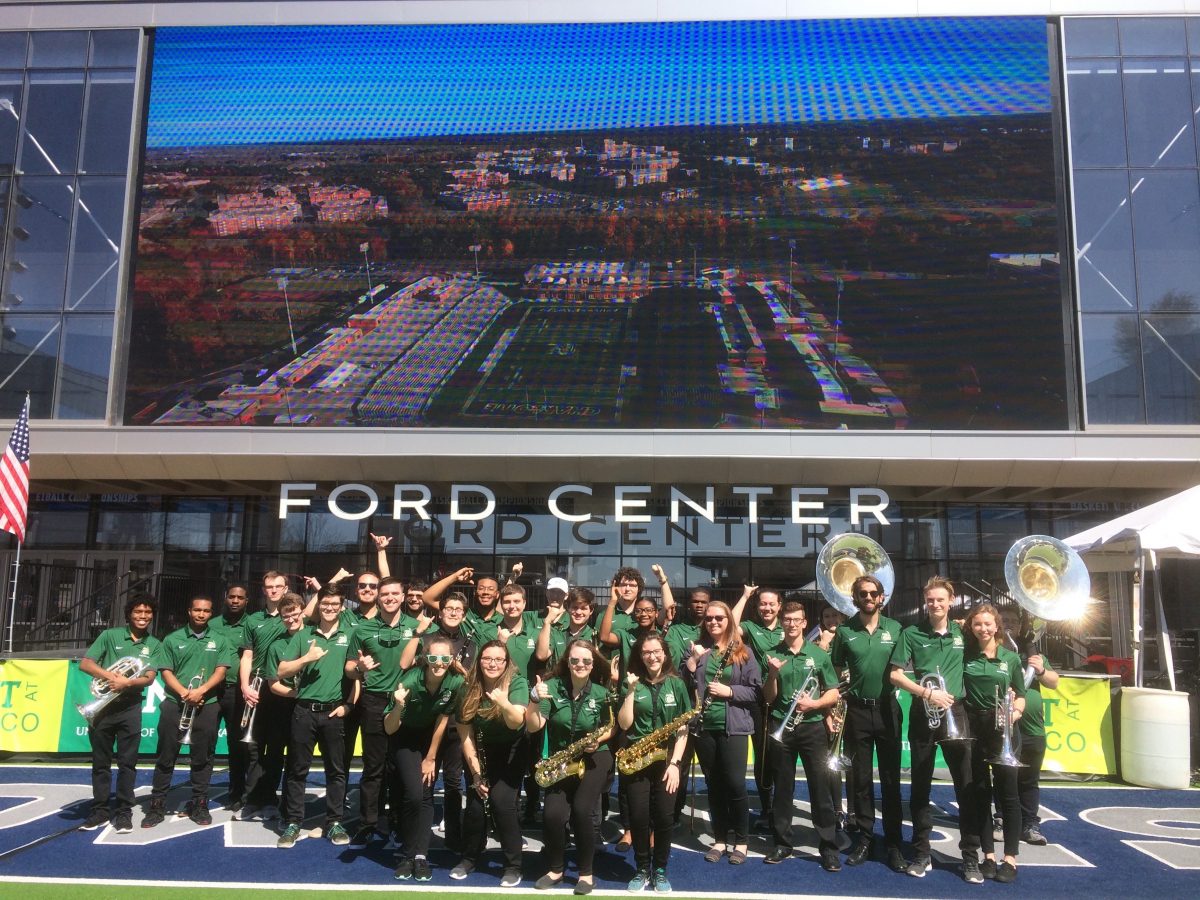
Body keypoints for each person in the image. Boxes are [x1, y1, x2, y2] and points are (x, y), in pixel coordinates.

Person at [889, 575, 980, 882]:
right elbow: (896, 676)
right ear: (925, 602)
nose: (935, 604)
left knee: (964, 787)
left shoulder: (963, 632)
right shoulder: (911, 632)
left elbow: (992, 642)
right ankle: (921, 852)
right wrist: (928, 693)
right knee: (920, 787)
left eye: (941, 600)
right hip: (923, 710)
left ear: (950, 601)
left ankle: (970, 857)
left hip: (956, 712)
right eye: (930, 600)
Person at [526, 640, 616, 895]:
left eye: (586, 661)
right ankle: (556, 869)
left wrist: (597, 740)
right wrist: (534, 699)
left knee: (582, 810)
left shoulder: (601, 692)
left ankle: (586, 874)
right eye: (575, 660)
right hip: (562, 759)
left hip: (595, 757)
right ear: (567, 662)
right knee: (553, 815)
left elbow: (611, 726)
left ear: (593, 664)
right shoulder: (551, 688)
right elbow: (533, 726)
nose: (580, 665)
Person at [830, 574, 906, 872]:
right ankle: (864, 838)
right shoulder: (845, 631)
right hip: (857, 712)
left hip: (888, 710)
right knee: (859, 780)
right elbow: (835, 665)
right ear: (855, 598)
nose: (869, 598)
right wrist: (840, 686)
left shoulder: (896, 628)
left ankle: (894, 843)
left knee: (890, 779)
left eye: (873, 593)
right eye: (863, 594)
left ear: (881, 597)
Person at [142, 594, 236, 828]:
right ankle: (157, 804)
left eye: (206, 611)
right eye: (197, 610)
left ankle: (200, 803)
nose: (201, 614)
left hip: (207, 703)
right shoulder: (172, 639)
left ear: (210, 613)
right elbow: (166, 672)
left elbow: (221, 671)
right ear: (189, 611)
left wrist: (200, 691)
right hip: (176, 703)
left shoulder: (219, 639)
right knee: (166, 756)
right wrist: (186, 693)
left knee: (203, 757)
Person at [761, 601, 842, 872]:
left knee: (820, 789)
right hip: (782, 728)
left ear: (805, 622)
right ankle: (783, 842)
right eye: (787, 620)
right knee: (783, 788)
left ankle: (828, 846)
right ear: (782, 622)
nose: (792, 624)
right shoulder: (771, 653)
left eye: (797, 620)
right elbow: (768, 698)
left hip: (813, 727)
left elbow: (833, 692)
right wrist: (772, 673)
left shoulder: (818, 655)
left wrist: (816, 704)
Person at [275, 585, 355, 848]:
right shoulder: (303, 635)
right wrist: (306, 658)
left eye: (334, 604)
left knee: (337, 771)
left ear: (342, 607)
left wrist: (349, 706)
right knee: (297, 770)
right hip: (304, 712)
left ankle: (334, 822)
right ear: (318, 606)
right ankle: (294, 822)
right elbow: (282, 671)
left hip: (334, 712)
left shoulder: (350, 633)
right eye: (325, 604)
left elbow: (358, 677)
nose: (329, 608)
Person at [384, 633, 466, 882]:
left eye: (444, 658)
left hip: (430, 737)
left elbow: (442, 719)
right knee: (414, 794)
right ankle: (407, 854)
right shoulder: (409, 680)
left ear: (452, 659)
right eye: (433, 657)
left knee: (427, 792)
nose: (439, 663)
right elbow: (389, 728)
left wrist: (431, 756)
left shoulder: (455, 681)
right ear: (425, 658)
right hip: (403, 737)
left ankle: (420, 855)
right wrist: (398, 705)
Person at [78, 595, 162, 833]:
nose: (143, 616)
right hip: (102, 709)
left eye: (147, 612)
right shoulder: (110, 635)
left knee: (128, 763)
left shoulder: (155, 644)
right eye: (138, 612)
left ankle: (124, 812)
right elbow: (86, 664)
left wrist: (128, 683)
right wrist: (112, 677)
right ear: (129, 614)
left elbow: (149, 677)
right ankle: (100, 811)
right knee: (100, 764)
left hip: (130, 708)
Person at [401, 591, 477, 852]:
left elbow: (469, 682)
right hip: (428, 722)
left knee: (454, 781)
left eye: (459, 609)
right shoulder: (428, 639)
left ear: (464, 615)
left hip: (455, 722)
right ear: (440, 612)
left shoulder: (472, 643)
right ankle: (416, 835)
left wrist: (460, 670)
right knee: (426, 781)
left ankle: (454, 836)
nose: (454, 612)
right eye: (449, 608)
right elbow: (408, 665)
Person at [689, 599, 761, 866]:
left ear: (729, 620)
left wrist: (729, 691)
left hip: (735, 728)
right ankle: (720, 840)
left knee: (735, 784)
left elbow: (755, 690)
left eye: (719, 618)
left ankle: (741, 841)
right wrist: (693, 660)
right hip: (705, 727)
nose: (714, 622)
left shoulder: (744, 652)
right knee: (714, 785)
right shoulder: (700, 651)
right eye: (709, 619)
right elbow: (686, 684)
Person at [618, 631, 691, 894]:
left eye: (656, 651)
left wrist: (675, 763)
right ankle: (640, 868)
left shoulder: (677, 684)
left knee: (663, 817)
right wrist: (629, 691)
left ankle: (659, 870)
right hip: (637, 757)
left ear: (664, 653)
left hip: (667, 760)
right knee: (638, 816)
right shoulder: (632, 683)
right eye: (646, 652)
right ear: (640, 655)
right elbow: (624, 724)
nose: (652, 656)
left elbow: (682, 728)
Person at [453, 639, 531, 888]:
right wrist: (476, 775)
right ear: (479, 660)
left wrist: (504, 702)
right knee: (476, 804)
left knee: (502, 802)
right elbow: (465, 736)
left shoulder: (517, 682)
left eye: (499, 659)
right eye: (487, 658)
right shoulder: (467, 688)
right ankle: (469, 857)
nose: (492, 663)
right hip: (482, 748)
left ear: (507, 662)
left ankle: (513, 866)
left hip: (514, 748)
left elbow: (516, 721)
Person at [344, 576, 413, 848]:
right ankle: (368, 823)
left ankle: (396, 821)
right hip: (373, 701)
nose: (389, 598)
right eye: (384, 594)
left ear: (403, 596)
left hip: (405, 702)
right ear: (378, 597)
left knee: (399, 766)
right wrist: (359, 667)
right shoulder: (361, 629)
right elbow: (349, 668)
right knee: (373, 768)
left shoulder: (416, 628)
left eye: (394, 593)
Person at [963, 602, 1026, 884]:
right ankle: (988, 855)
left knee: (1009, 796)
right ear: (971, 627)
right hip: (975, 726)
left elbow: (1021, 694)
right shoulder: (964, 655)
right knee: (980, 793)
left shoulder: (1010, 658)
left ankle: (1010, 858)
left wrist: (1014, 713)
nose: (983, 629)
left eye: (988, 624)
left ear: (997, 626)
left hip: (1004, 729)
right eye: (977, 624)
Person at [239, 570, 293, 820]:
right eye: (269, 586)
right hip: (257, 688)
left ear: (285, 588)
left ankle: (271, 799)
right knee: (254, 749)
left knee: (276, 749)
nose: (273, 590)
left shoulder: (291, 617)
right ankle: (251, 800)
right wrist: (244, 686)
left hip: (281, 690)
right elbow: (247, 656)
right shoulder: (252, 620)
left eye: (278, 586)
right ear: (263, 590)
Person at [730, 584, 779, 833]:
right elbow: (731, 625)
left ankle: (782, 809)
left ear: (779, 606)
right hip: (760, 701)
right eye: (762, 604)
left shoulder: (788, 627)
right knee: (762, 758)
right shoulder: (751, 627)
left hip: (787, 701)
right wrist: (746, 595)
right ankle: (767, 808)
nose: (766, 608)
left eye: (771, 603)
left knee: (784, 757)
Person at [1009, 609, 1058, 847]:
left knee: (1029, 779)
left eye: (1012, 621)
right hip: (1007, 727)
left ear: (1020, 627)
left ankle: (1030, 823)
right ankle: (1002, 819)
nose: (1007, 625)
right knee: (1005, 777)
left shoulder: (1033, 653)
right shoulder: (995, 652)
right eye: (1003, 621)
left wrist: (1041, 670)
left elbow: (1054, 682)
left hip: (1034, 729)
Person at [212, 584, 251, 812]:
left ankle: (237, 792)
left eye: (240, 598)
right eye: (232, 597)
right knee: (205, 744)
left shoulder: (252, 624)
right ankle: (199, 797)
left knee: (238, 746)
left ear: (247, 601)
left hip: (237, 692)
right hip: (211, 692)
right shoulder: (212, 623)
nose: (235, 601)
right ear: (225, 598)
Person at [536, 586, 596, 669]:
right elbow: (541, 656)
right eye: (575, 607)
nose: (578, 612)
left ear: (591, 611)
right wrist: (547, 622)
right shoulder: (556, 633)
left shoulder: (595, 637)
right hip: (556, 681)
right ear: (568, 608)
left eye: (583, 608)